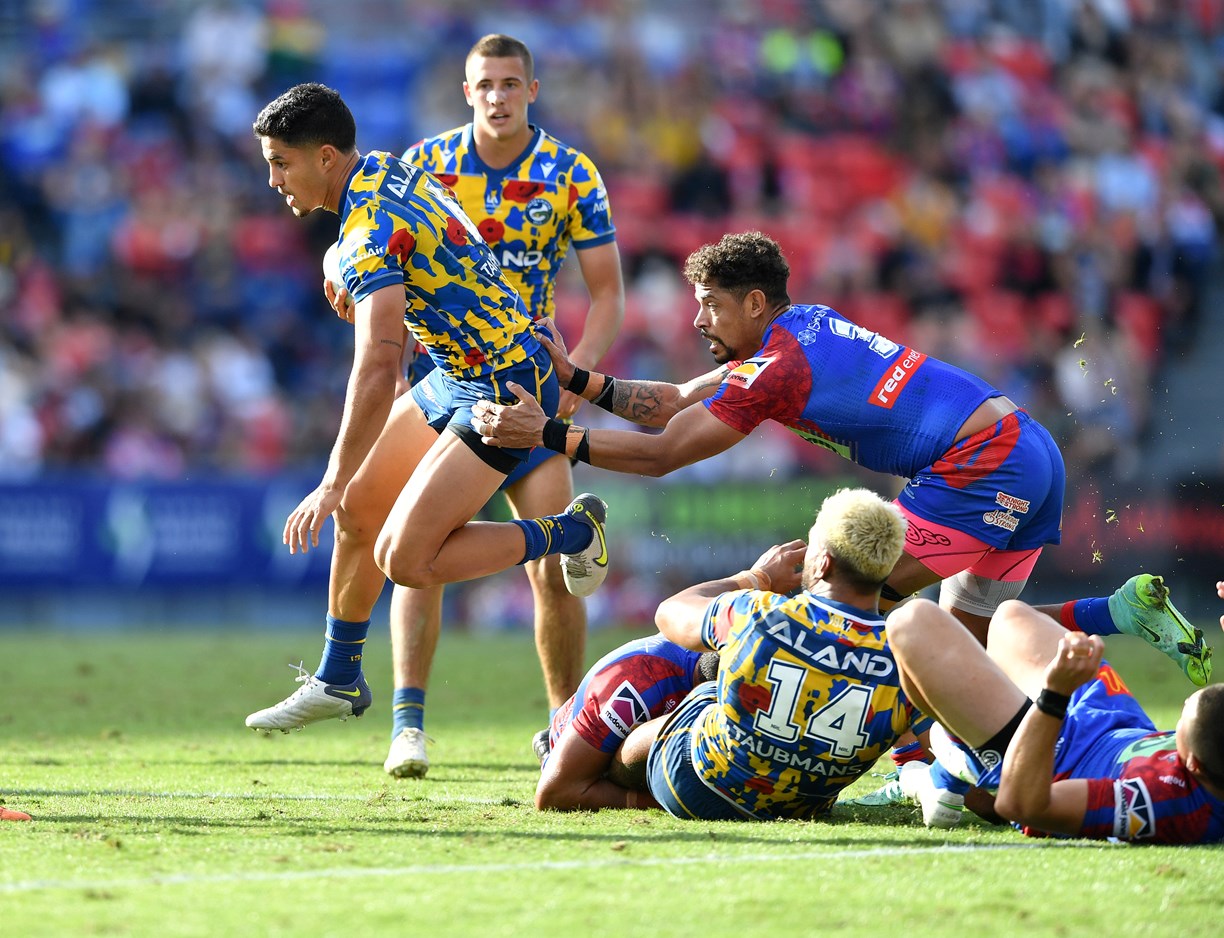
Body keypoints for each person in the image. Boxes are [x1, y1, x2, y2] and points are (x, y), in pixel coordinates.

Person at [472, 231, 1212, 687]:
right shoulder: (802, 325)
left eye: (711, 305)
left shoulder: (774, 369)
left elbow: (664, 454)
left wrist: (547, 436)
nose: (697, 320)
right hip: (1025, 445)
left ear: (754, 303)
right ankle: (1121, 610)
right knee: (971, 637)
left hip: (981, 463)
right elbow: (668, 402)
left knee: (850, 608)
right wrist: (576, 380)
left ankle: (912, 769)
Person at [243, 83, 610, 735]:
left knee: (406, 561)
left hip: (504, 388)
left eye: (281, 162)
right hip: (456, 373)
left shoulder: (368, 233)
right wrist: (334, 264)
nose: (273, 179)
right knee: (359, 510)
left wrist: (328, 480)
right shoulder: (384, 169)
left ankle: (572, 534)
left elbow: (377, 366)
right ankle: (338, 677)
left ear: (325, 157)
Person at [380, 34, 624, 779]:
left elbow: (607, 293)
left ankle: (563, 725)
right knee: (414, 552)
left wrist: (577, 377)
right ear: (466, 92)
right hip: (445, 379)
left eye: (510, 83)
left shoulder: (571, 172)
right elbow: (389, 276)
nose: (497, 96)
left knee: (552, 572)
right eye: (485, 84)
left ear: (532, 91)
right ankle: (408, 727)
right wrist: (395, 373)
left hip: (528, 387)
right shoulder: (424, 167)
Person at [622, 487, 920, 820]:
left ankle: (609, 780)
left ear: (823, 563)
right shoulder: (903, 655)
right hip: (803, 810)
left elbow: (669, 612)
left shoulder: (759, 612)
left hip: (698, 789)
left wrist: (754, 578)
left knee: (706, 695)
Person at [886, 595, 1224, 844]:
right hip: (1113, 722)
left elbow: (1022, 804)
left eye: (1182, 718)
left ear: (1192, 764)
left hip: (1054, 760)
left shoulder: (1158, 802)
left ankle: (952, 767)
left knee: (912, 622)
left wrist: (1054, 695)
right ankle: (959, 755)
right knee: (1009, 617)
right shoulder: (1210, 764)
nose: (1183, 702)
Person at [534, 635, 718, 811]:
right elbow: (554, 793)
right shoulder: (638, 688)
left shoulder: (708, 644)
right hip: (586, 753)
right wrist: (671, 803)